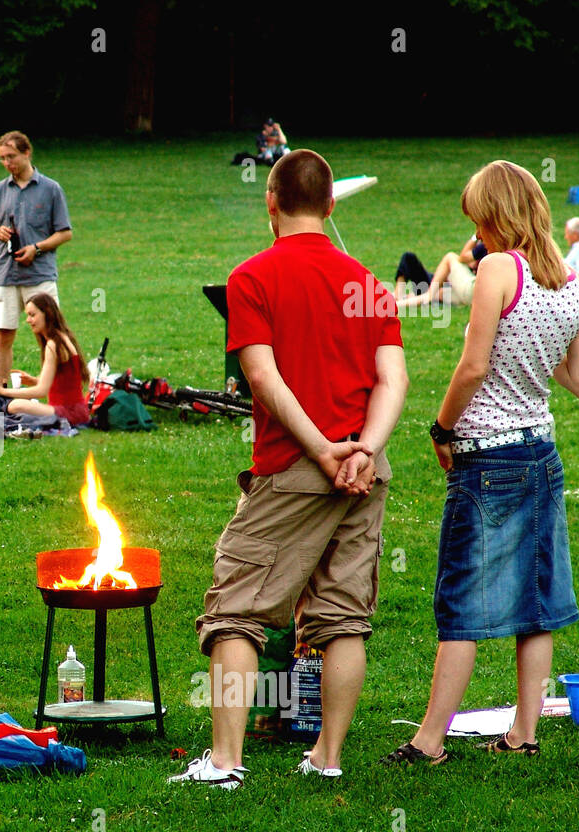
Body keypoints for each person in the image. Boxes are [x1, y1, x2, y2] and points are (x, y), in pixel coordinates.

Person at [170, 149, 408, 789]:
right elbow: (394, 379)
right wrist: (362, 447)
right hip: (365, 468)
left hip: (296, 468)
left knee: (235, 610)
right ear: (332, 206)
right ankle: (326, 760)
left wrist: (324, 449)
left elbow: (262, 379)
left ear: (270, 204)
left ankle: (223, 763)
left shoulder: (252, 277)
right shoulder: (368, 282)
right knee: (343, 618)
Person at [382, 161, 579, 765]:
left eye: (478, 218)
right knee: (537, 598)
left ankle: (428, 741)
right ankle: (524, 732)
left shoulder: (501, 268)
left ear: (497, 215)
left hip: (489, 458)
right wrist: (535, 351)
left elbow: (473, 366)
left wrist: (441, 428)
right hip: (541, 454)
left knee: (463, 601)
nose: (475, 233)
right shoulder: (568, 280)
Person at [0, 131, 72, 387]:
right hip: (5, 275)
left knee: (50, 336)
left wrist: (37, 248)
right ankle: (1, 391)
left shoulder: (51, 189)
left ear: (27, 153)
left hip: (40, 274)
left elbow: (65, 232)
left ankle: (53, 387)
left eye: (12, 157)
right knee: (4, 335)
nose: (7, 163)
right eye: (2, 158)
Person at [0, 292, 90, 426]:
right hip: (75, 410)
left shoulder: (54, 345)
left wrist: (3, 391)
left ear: (47, 313)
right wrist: (34, 381)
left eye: (32, 315)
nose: (28, 320)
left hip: (70, 413)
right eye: (27, 315)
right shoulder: (60, 338)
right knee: (16, 404)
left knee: (15, 405)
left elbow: (41, 391)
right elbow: (63, 383)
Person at [394, 235, 483, 308]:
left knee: (449, 258)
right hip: (440, 283)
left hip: (447, 288)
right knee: (408, 258)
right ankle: (399, 296)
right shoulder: (483, 243)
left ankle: (400, 300)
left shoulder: (485, 246)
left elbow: (464, 259)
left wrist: (475, 236)